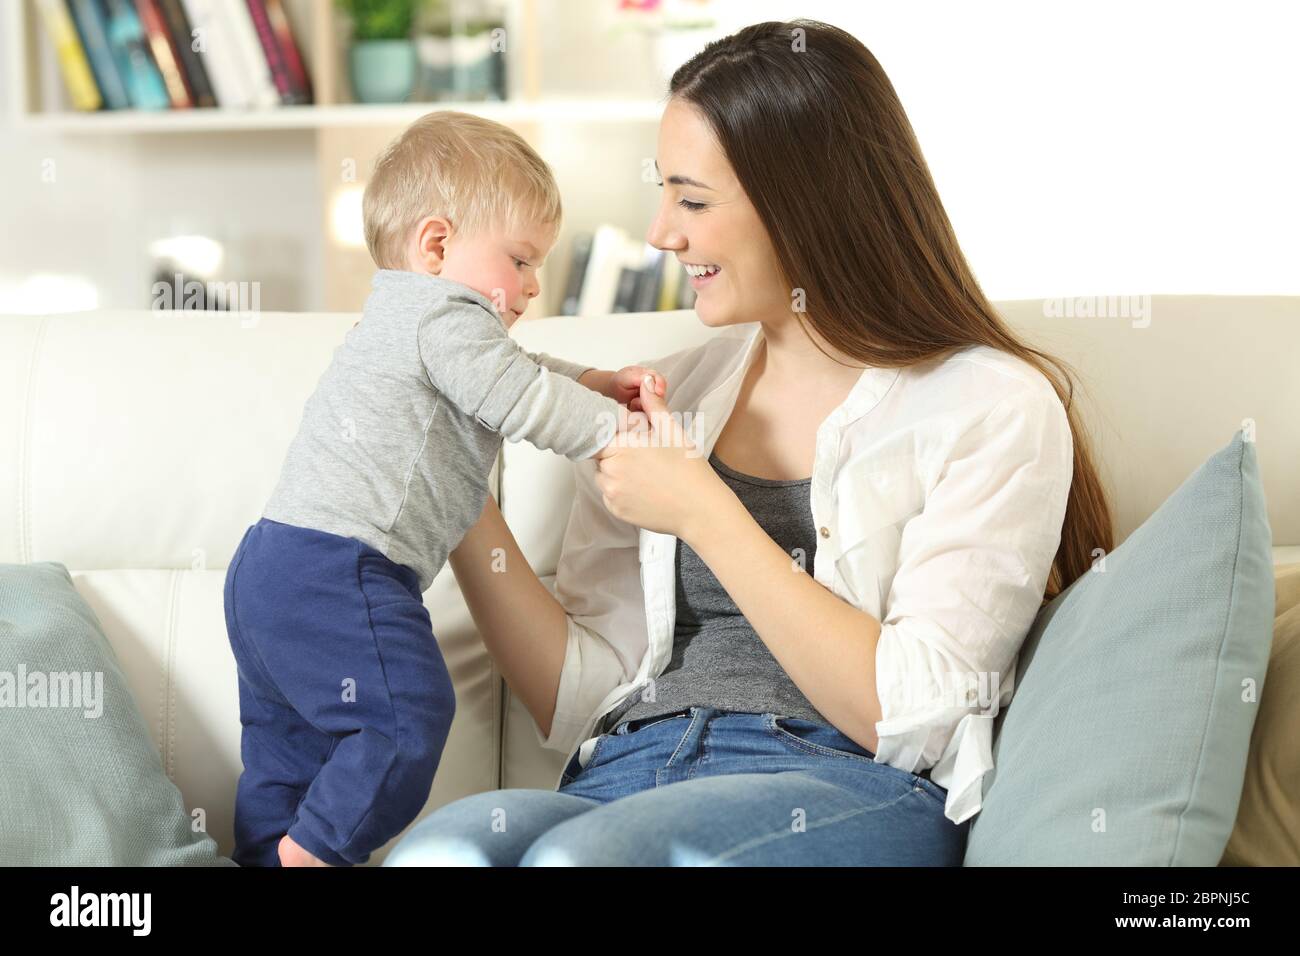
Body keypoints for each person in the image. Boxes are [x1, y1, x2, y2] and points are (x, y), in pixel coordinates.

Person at [386, 19, 1113, 866]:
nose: (661, 232)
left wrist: (706, 510)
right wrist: (455, 473)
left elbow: (921, 713)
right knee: (442, 852)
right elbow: (582, 694)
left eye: (692, 200)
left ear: (806, 203)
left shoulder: (991, 405)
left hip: (838, 785)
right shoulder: (668, 393)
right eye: (663, 193)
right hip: (625, 771)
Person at [223, 110, 663, 867]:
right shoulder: (443, 317)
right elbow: (520, 398)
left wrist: (591, 379)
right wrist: (619, 432)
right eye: (522, 260)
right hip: (343, 571)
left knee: (288, 754)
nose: (533, 286)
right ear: (437, 244)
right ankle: (312, 857)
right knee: (406, 719)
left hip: (269, 573)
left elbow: (514, 373)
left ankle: (270, 854)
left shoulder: (408, 318)